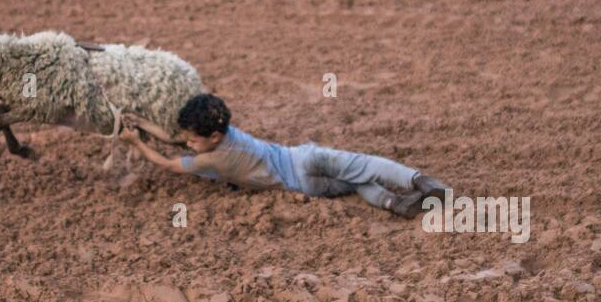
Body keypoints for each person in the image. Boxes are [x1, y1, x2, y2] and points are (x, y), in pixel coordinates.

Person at [118, 94, 451, 218]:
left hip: (304, 185)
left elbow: (167, 162)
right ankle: (418, 180)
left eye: (192, 140)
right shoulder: (224, 131)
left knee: (353, 181)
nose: (187, 144)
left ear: (212, 137)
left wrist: (137, 142)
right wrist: (144, 125)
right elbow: (181, 139)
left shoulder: (212, 160)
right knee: (361, 166)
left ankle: (395, 204)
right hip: (302, 158)